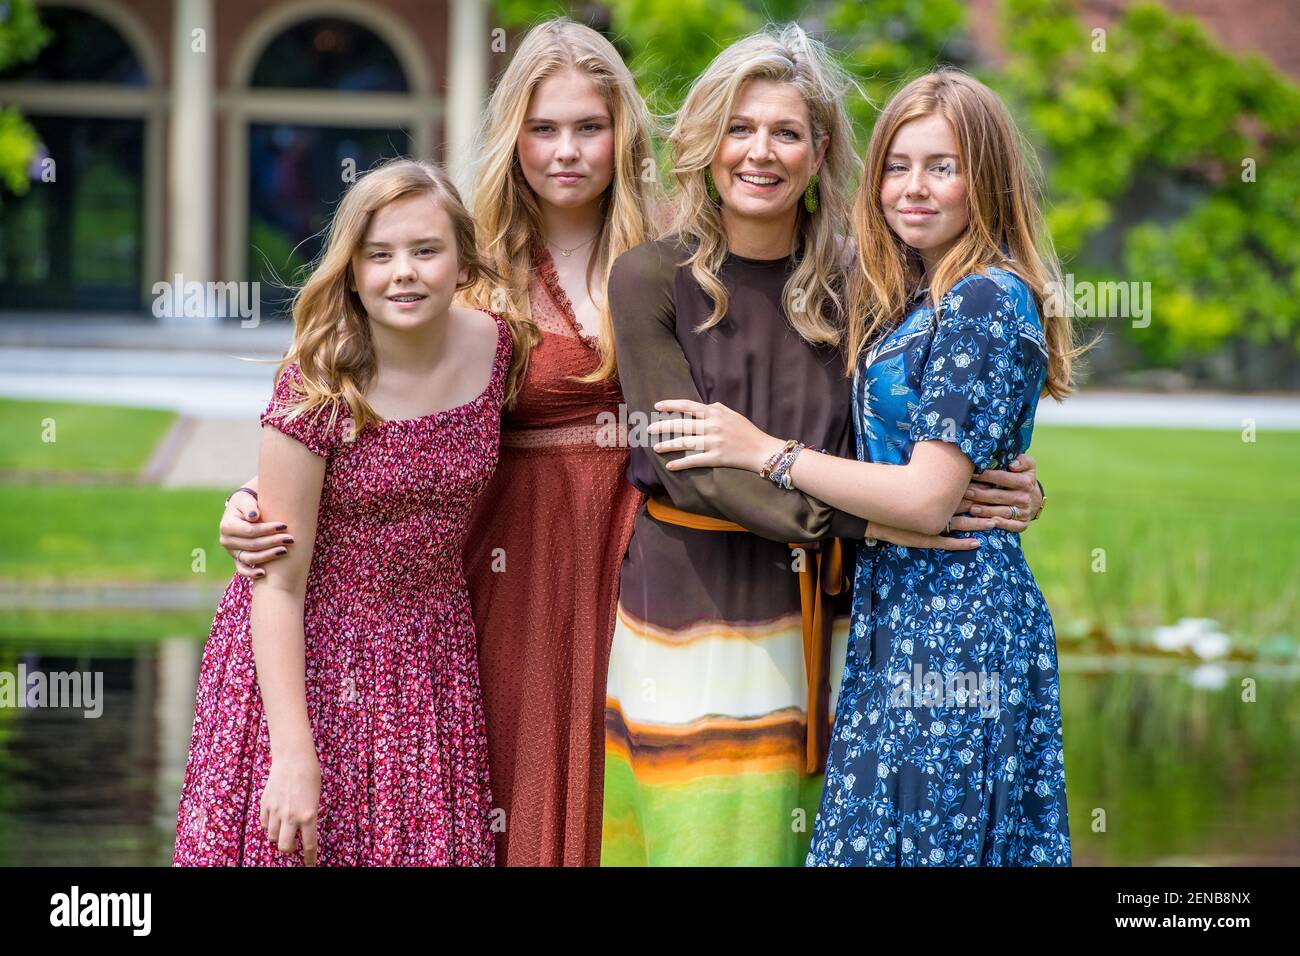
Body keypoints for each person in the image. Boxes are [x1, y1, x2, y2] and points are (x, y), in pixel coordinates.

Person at [212, 19, 659, 866]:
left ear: (622, 132)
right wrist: (249, 504)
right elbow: (350, 405)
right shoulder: (477, 265)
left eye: (588, 127)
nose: (566, 150)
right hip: (507, 565)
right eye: (543, 127)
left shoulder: (670, 253)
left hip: (628, 555)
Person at [601, 28, 1044, 866]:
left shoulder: (866, 279)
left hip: (840, 622)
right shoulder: (649, 277)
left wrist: (1008, 484)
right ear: (705, 142)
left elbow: (925, 425)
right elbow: (685, 471)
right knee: (696, 839)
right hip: (692, 606)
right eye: (739, 128)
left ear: (820, 153)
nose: (759, 152)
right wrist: (875, 528)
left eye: (786, 132)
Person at [173, 159, 511, 866]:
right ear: (351, 270)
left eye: (426, 250)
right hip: (309, 655)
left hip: (429, 659)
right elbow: (279, 583)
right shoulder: (322, 376)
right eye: (379, 255)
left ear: (462, 259)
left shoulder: (498, 348)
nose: (404, 273)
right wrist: (293, 753)